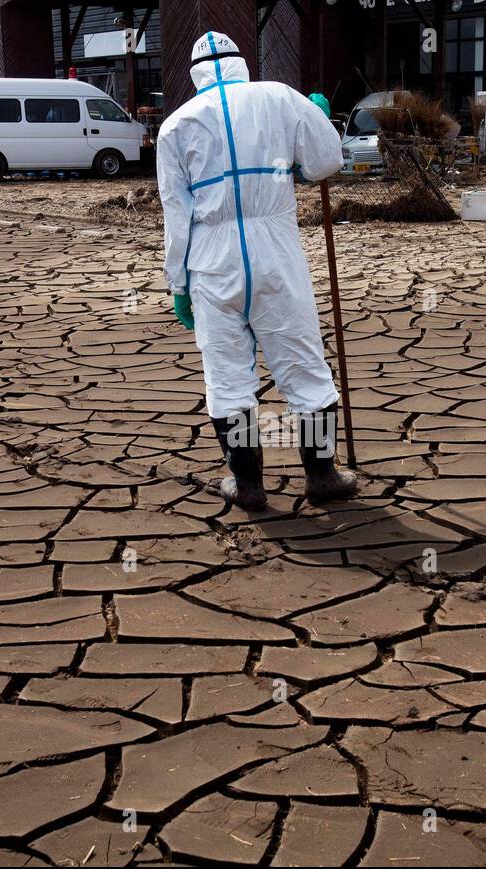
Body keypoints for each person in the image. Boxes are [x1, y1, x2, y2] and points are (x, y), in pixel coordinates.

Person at [156, 31, 357, 512]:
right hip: (276, 255)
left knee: (226, 377)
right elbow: (326, 162)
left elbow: (175, 215)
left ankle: (248, 485)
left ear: (196, 74)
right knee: (303, 365)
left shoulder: (175, 126)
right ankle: (322, 476)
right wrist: (318, 115)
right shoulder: (279, 97)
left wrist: (179, 284)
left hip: (211, 261)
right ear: (242, 64)